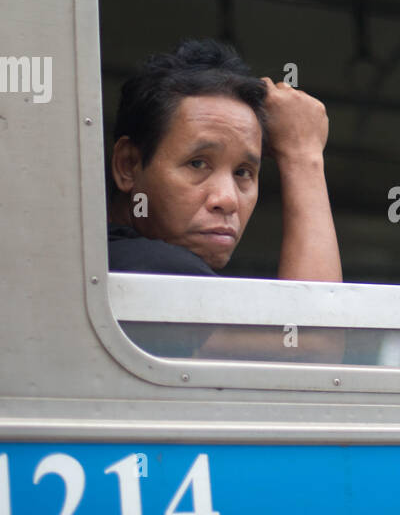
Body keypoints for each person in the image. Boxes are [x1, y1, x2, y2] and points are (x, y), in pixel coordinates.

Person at [108, 38, 341, 359]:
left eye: (243, 172)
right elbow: (313, 346)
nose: (227, 200)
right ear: (128, 165)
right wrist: (303, 156)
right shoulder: (146, 265)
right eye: (198, 164)